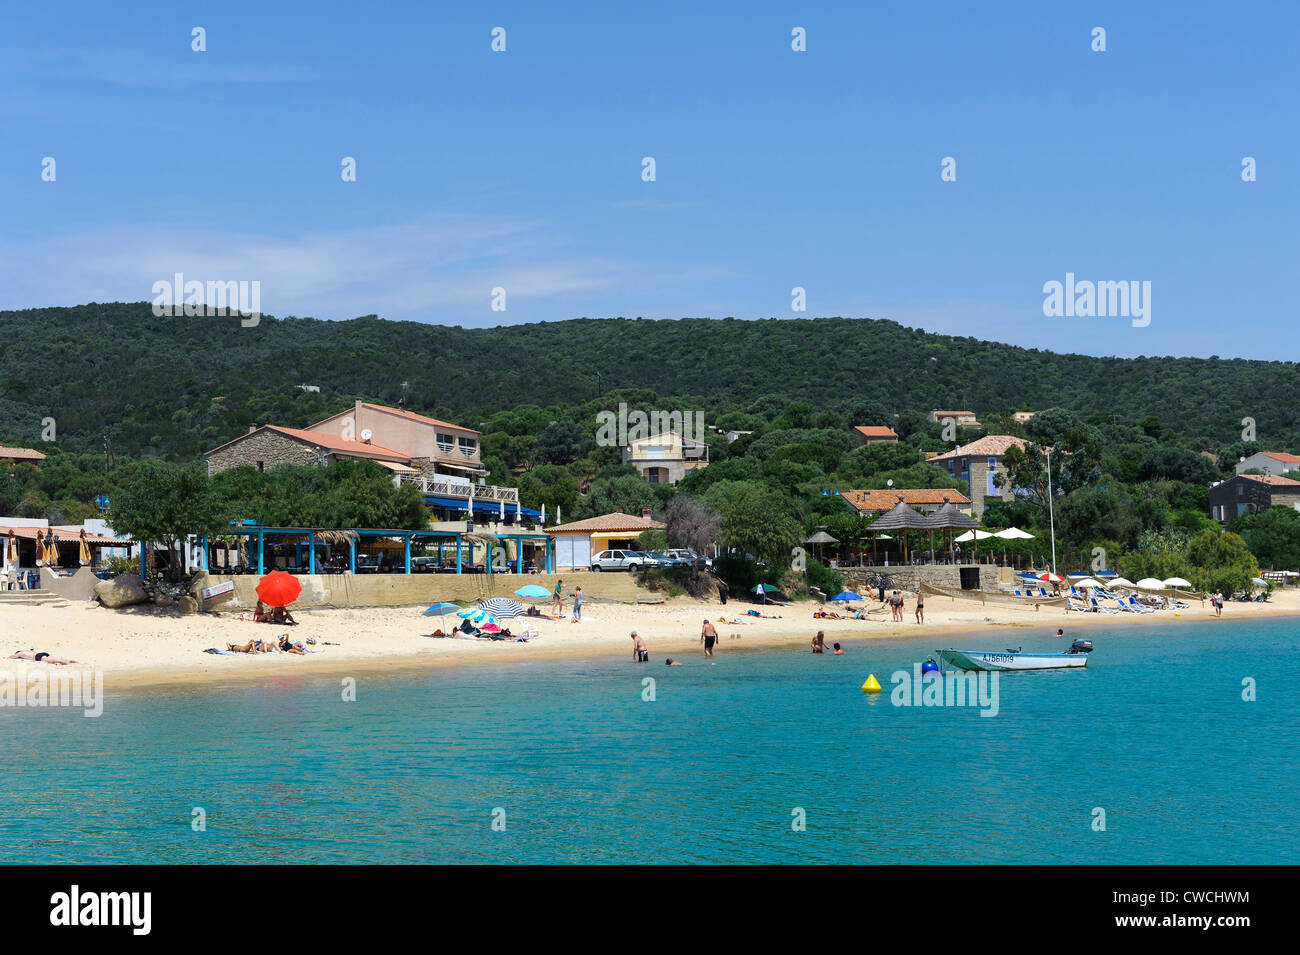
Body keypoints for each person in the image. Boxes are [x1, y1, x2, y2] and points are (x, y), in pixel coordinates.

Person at [9, 649, 75, 665]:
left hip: (37, 656)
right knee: (53, 658)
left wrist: (9, 657)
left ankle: (64, 662)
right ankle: (67, 660)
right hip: (42, 653)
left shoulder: (20, 653)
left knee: (50, 660)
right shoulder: (27, 651)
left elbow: (12, 657)